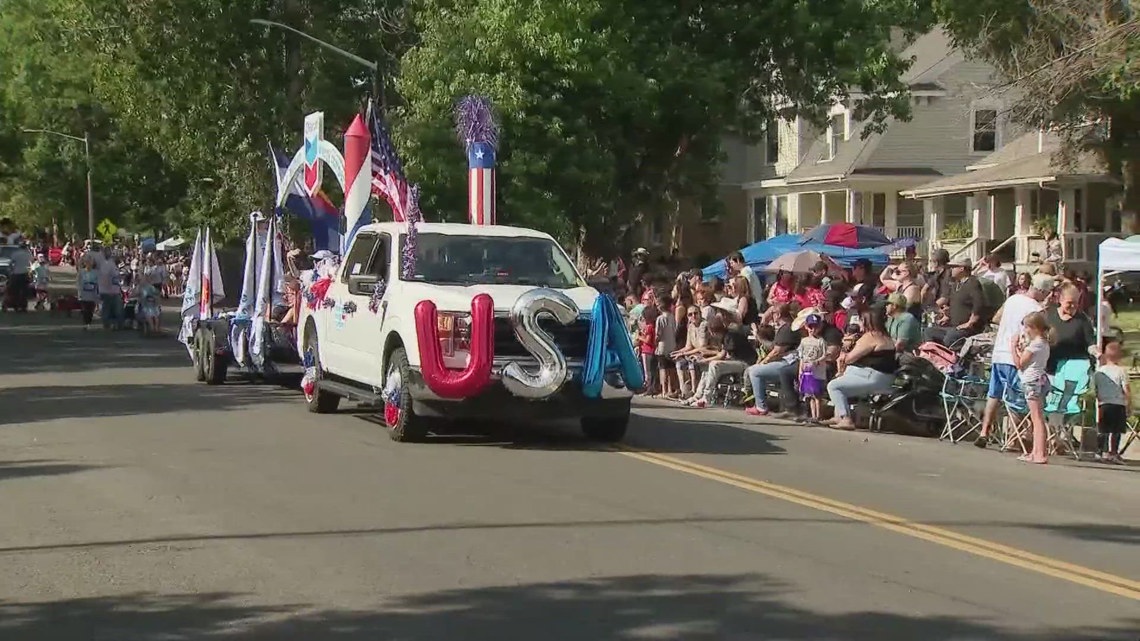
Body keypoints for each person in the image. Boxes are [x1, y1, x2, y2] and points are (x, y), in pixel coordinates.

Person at [976, 274, 1053, 447]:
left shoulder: (1013, 298)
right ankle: (1014, 438)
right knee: (1018, 397)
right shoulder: (1037, 310)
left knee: (994, 394)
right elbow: (1043, 333)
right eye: (1046, 292)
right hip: (1017, 356)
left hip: (999, 352)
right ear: (1042, 291)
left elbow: (996, 318)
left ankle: (984, 432)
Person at [823, 308, 897, 430]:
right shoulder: (886, 336)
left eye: (861, 320)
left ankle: (845, 419)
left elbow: (849, 359)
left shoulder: (870, 337)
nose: (859, 323)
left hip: (873, 376)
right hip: (886, 378)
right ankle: (838, 416)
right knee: (844, 377)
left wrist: (846, 348)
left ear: (867, 321)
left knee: (834, 386)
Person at [744, 304, 800, 418]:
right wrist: (758, 336)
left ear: (778, 315)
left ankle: (761, 406)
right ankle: (756, 402)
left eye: (773, 313)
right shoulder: (783, 328)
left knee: (755, 371)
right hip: (783, 362)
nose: (771, 316)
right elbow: (772, 346)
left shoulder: (788, 328)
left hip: (788, 363)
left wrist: (764, 361)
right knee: (752, 370)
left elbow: (777, 351)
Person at [1011, 311, 1053, 464]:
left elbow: (1019, 364)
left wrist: (1013, 346)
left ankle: (1040, 453)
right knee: (1036, 417)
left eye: (1028, 328)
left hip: (1031, 381)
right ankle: (1035, 451)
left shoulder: (1035, 345)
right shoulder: (1043, 343)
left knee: (1037, 418)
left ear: (1034, 327)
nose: (1026, 331)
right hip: (1038, 380)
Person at [925, 257, 988, 346]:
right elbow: (955, 304)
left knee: (950, 337)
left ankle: (950, 358)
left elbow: (979, 304)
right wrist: (947, 316)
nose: (951, 269)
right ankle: (932, 356)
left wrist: (970, 322)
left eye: (954, 267)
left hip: (967, 328)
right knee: (929, 332)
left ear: (962, 268)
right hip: (953, 326)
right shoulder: (956, 285)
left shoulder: (973, 283)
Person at [1093, 337, 1129, 464]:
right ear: (1119, 356)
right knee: (1116, 430)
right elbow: (1125, 389)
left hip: (1104, 403)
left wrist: (1098, 399)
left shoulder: (1099, 372)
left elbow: (1096, 389)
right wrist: (1128, 403)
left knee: (1103, 428)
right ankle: (1113, 452)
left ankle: (1099, 451)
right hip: (1118, 404)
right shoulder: (1121, 371)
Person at [797, 314, 828, 424]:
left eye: (815, 327)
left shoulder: (821, 341)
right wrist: (800, 370)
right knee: (809, 394)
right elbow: (801, 356)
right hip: (806, 371)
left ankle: (818, 416)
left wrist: (816, 362)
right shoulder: (804, 341)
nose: (813, 329)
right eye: (810, 327)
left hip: (817, 371)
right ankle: (813, 415)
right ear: (806, 326)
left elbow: (825, 355)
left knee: (817, 395)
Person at [96, 245, 124, 330]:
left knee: (116, 308)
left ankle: (116, 324)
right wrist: (110, 289)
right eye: (108, 252)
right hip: (108, 291)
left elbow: (114, 276)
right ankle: (107, 325)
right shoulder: (105, 264)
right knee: (108, 309)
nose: (111, 253)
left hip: (115, 290)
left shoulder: (111, 263)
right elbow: (105, 278)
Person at [76, 255, 100, 330]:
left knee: (90, 309)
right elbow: (78, 282)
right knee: (85, 309)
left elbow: (98, 283)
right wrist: (79, 292)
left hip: (92, 294)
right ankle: (85, 323)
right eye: (87, 262)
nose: (89, 264)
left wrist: (97, 292)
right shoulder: (81, 272)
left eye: (90, 262)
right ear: (85, 263)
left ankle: (88, 322)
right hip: (84, 293)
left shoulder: (96, 272)